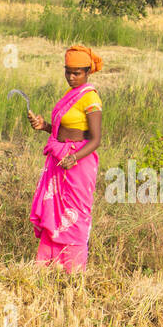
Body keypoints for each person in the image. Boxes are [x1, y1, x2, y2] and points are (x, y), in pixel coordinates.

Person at [25, 44, 104, 273]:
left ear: (87, 72)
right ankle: (49, 268)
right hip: (60, 160)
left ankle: (73, 270)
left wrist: (74, 158)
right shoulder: (70, 95)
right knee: (55, 214)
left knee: (75, 215)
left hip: (78, 165)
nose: (71, 76)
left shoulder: (90, 98)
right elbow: (63, 131)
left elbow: (96, 139)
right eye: (68, 71)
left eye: (76, 72)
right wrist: (44, 126)